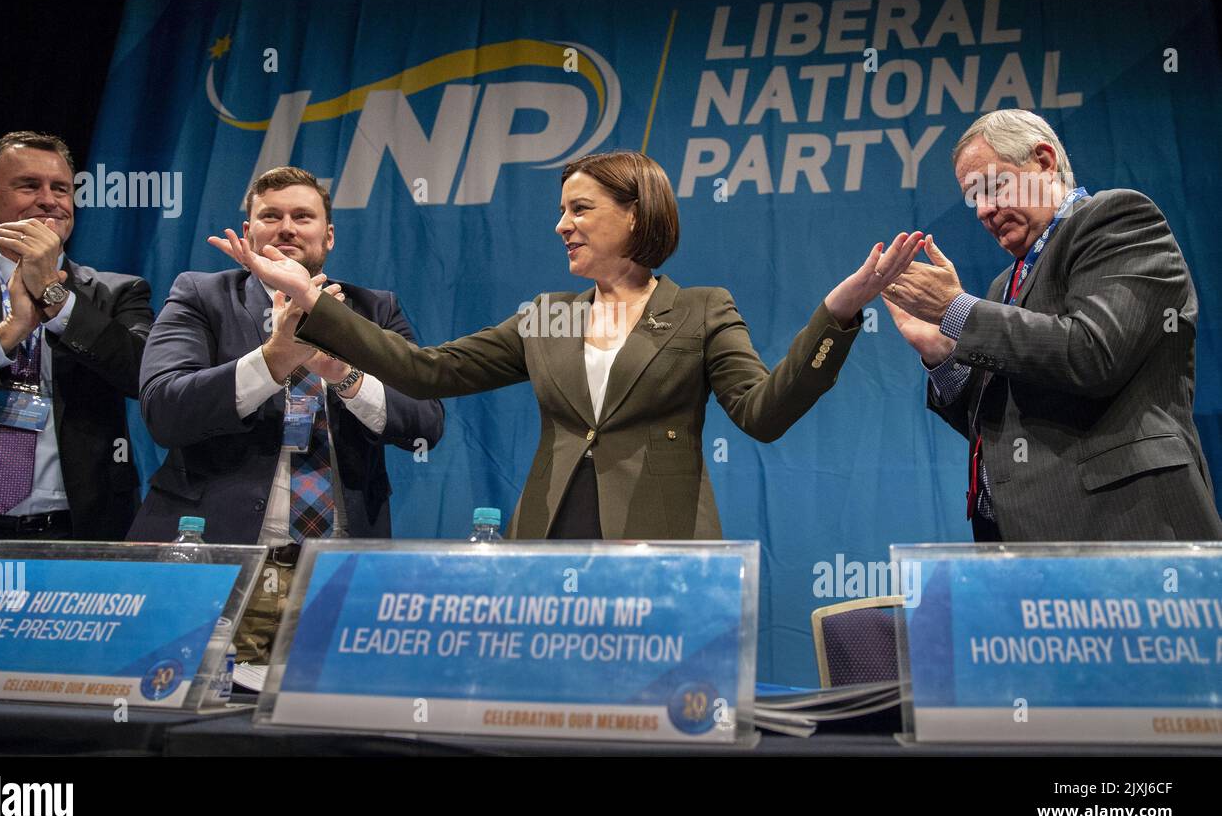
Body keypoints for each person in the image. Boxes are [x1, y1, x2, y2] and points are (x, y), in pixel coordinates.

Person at [211, 151, 922, 540]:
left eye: (580, 208)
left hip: (660, 548)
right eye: (560, 210)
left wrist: (838, 314)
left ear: (636, 213)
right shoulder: (547, 317)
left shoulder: (704, 312)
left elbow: (763, 413)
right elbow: (425, 374)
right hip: (545, 543)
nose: (562, 225)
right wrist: (309, 303)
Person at [129, 166, 444, 661]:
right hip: (220, 561)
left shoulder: (375, 309)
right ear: (249, 229)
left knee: (324, 726)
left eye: (303, 216)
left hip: (338, 568)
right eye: (270, 216)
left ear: (329, 234)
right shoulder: (201, 295)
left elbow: (425, 423)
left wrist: (344, 373)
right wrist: (275, 358)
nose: (287, 228)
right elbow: (165, 411)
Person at [883, 109, 1221, 542]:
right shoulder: (1004, 284)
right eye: (973, 198)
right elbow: (1001, 420)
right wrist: (942, 350)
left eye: (994, 186)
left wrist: (958, 311)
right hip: (1029, 542)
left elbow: (1091, 355)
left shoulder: (1118, 220)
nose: (984, 210)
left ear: (1043, 161)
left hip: (1125, 529)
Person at [0, 131, 153, 545]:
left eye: (61, 188)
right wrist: (7, 335)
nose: (50, 200)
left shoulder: (119, 292)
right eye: (29, 185)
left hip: (78, 529)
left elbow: (142, 375)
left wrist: (56, 298)